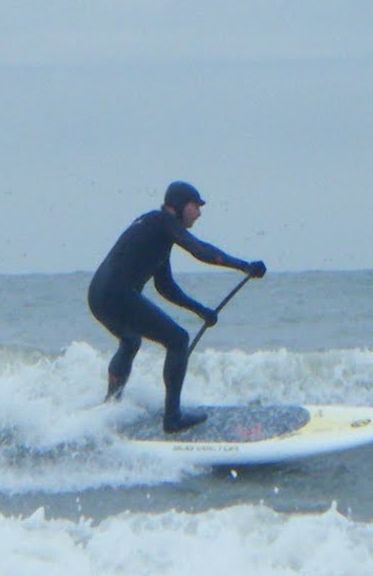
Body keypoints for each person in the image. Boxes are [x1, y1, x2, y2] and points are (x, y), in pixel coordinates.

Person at [87, 181, 266, 433]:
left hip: (98, 296)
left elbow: (165, 286)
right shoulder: (163, 222)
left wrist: (200, 310)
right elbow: (200, 250)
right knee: (178, 340)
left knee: (130, 340)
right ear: (180, 205)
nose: (199, 213)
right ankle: (172, 419)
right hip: (117, 295)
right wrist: (244, 265)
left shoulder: (156, 230)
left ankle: (110, 407)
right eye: (196, 206)